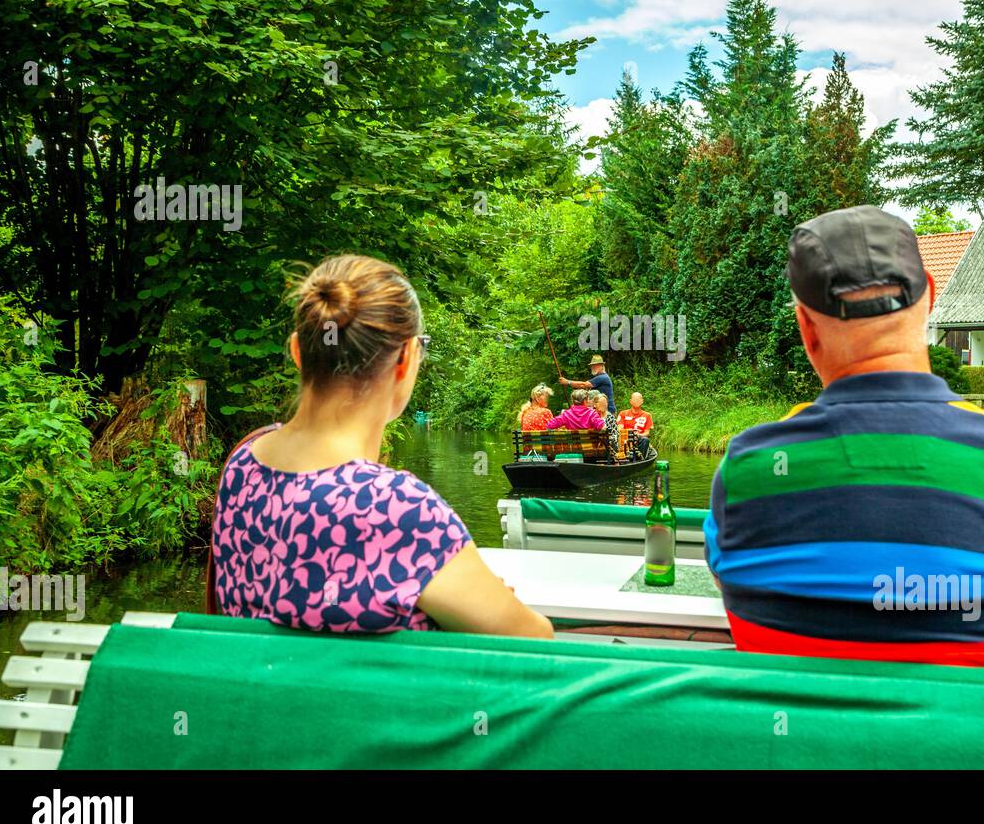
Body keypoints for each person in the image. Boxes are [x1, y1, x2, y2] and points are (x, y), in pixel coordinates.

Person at [705, 207, 984, 670]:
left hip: (805, 739)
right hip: (978, 738)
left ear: (806, 327)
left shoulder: (749, 469)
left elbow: (735, 593)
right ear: (928, 298)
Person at [211, 254, 552, 639]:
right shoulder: (398, 506)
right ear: (406, 358)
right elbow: (535, 641)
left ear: (297, 351)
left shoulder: (242, 466)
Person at [617, 391, 653, 459]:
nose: (637, 401)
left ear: (642, 401)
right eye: (635, 399)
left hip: (639, 438)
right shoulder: (623, 413)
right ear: (630, 401)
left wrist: (638, 435)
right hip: (626, 438)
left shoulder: (647, 415)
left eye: (639, 399)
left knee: (645, 440)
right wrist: (629, 432)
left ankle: (641, 459)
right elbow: (620, 428)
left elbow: (647, 432)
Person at [591, 392, 619, 459]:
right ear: (594, 405)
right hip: (592, 446)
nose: (603, 405)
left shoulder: (610, 418)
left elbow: (615, 435)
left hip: (607, 447)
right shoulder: (591, 417)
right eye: (601, 403)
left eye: (605, 403)